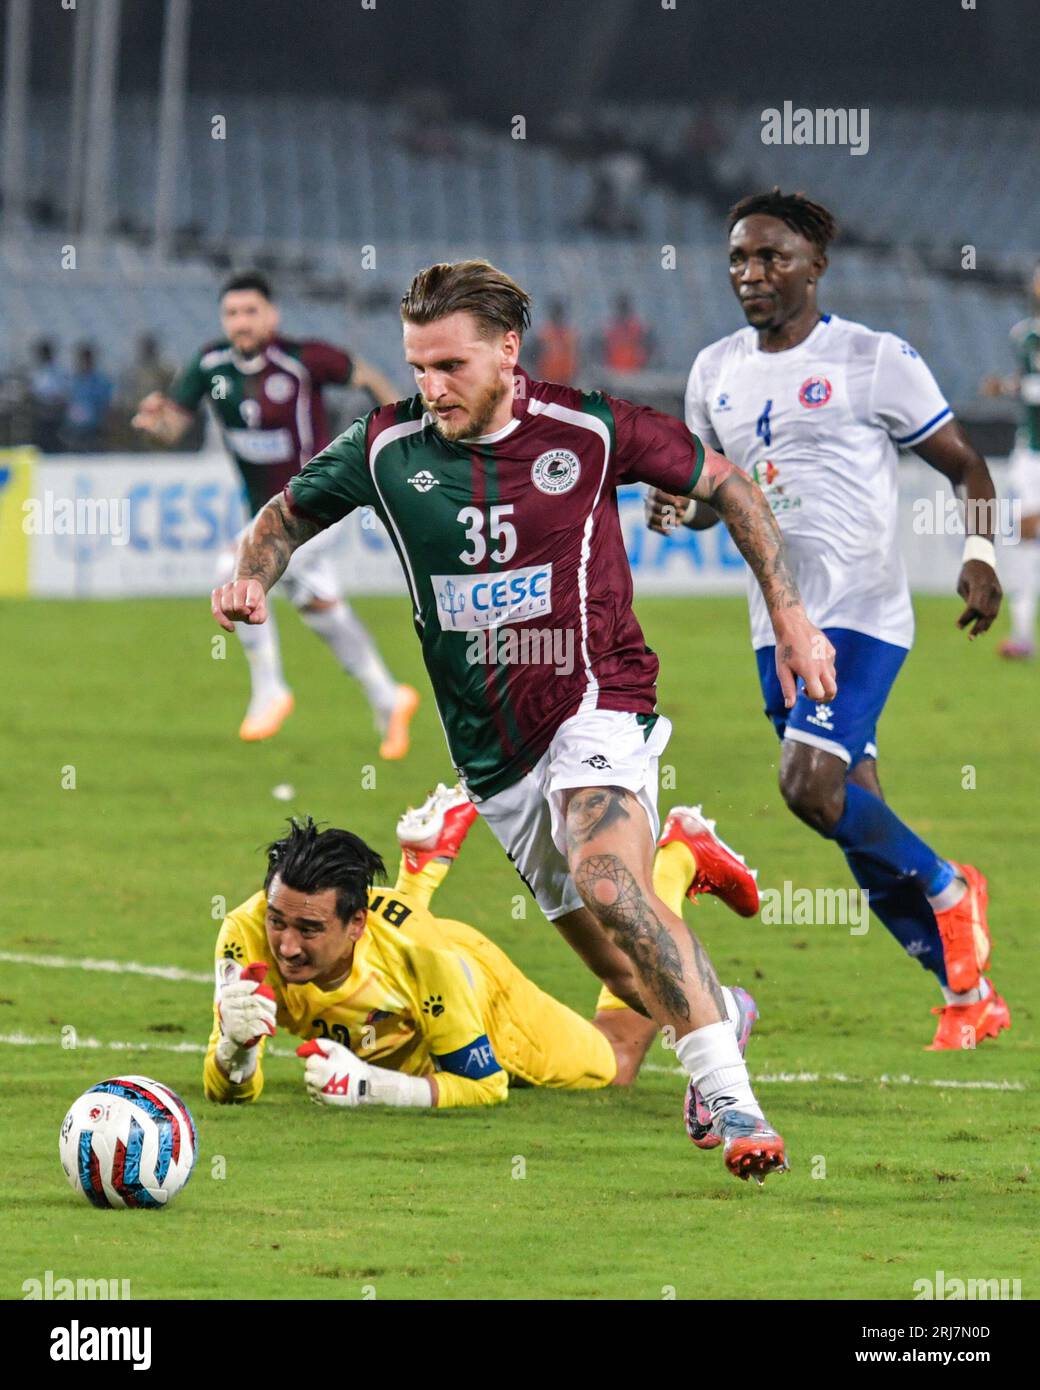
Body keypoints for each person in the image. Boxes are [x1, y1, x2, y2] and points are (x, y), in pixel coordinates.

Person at [211, 257, 837, 1183]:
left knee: (606, 879)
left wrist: (789, 615)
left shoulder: (588, 428)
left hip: (597, 698)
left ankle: (735, 1102)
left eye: (450, 366)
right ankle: (702, 936)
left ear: (509, 350)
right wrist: (251, 579)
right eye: (418, 366)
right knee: (625, 974)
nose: (430, 388)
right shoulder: (389, 448)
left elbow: (732, 490)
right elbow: (285, 516)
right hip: (491, 753)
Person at [647, 189, 1008, 1051]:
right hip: (778, 621)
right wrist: (677, 509)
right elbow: (713, 501)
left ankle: (953, 889)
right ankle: (968, 994)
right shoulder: (713, 371)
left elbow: (968, 466)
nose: (752, 274)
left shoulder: (872, 358)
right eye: (739, 258)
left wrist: (983, 556)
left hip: (863, 614)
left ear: (816, 265)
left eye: (771, 257)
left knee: (806, 784)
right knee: (850, 820)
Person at [205, 783, 763, 1115]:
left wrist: (370, 1088)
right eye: (277, 921)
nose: (286, 946)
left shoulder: (427, 961)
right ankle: (423, 869)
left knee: (615, 1058)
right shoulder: (243, 932)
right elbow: (229, 1092)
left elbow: (485, 1085)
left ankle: (680, 854)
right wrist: (237, 1049)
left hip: (486, 1003)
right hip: (404, 1003)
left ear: (355, 924)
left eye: (307, 930)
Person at [133, 271, 419, 755]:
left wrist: (402, 436)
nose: (241, 322)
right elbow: (171, 429)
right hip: (269, 516)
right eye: (232, 314)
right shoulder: (210, 366)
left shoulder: (302, 360)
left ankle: (270, 689)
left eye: (250, 312)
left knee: (233, 566)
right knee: (322, 609)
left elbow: (367, 375)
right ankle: (390, 698)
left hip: (319, 505)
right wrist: (153, 423)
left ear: (272, 315)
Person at [981, 259, 1040, 659]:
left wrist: (1012, 387)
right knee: (1025, 538)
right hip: (1033, 454)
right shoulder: (1025, 335)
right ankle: (1022, 634)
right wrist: (1009, 386)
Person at [62, 343, 113, 451]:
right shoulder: (72, 381)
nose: (85, 363)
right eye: (83, 359)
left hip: (94, 430)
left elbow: (106, 404)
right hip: (74, 430)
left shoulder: (101, 381)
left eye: (88, 359)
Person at [27, 339, 68, 453]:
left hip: (56, 410)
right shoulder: (36, 372)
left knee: (55, 437)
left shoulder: (59, 371)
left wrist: (55, 404)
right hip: (40, 410)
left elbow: (64, 391)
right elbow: (33, 392)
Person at [601, 293, 653, 374]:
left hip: (635, 374)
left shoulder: (638, 328)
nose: (622, 312)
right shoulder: (610, 328)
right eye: (621, 308)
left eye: (623, 308)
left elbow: (648, 350)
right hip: (614, 374)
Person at [533, 299, 580, 385]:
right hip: (546, 379)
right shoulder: (544, 334)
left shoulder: (569, 334)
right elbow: (535, 357)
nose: (557, 316)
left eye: (558, 313)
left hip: (565, 380)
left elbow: (577, 358)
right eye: (555, 314)